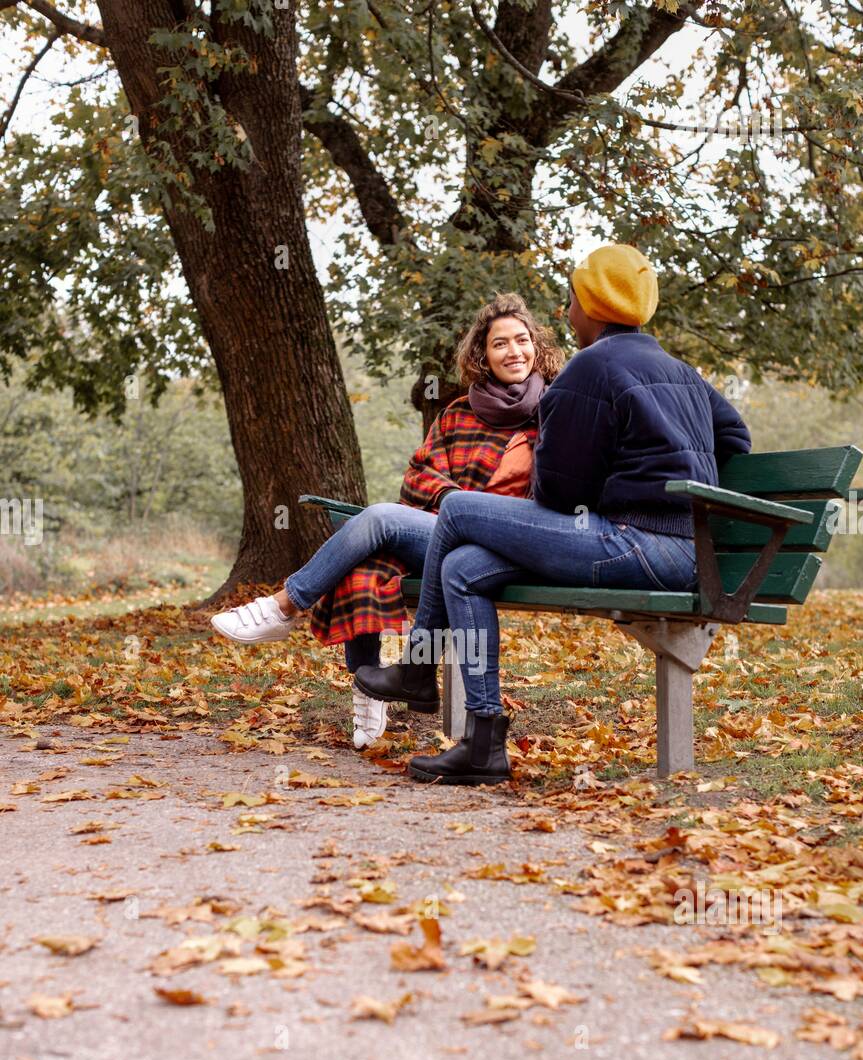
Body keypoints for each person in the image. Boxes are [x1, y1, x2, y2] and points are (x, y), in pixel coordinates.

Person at [353, 243, 752, 785]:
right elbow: (735, 437)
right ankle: (483, 743)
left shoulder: (589, 370)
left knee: (458, 509)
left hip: (634, 544)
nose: (567, 314)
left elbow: (561, 496)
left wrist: (628, 485)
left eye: (570, 302)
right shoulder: (681, 371)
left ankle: (420, 669)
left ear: (592, 306)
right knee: (462, 568)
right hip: (684, 549)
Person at [209, 294, 564, 749]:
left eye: (522, 340)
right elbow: (419, 474)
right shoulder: (457, 413)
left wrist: (483, 515)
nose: (514, 351)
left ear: (537, 347)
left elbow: (557, 486)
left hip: (504, 546)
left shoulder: (552, 412)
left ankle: (284, 605)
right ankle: (368, 689)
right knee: (361, 570)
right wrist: (457, 502)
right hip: (443, 532)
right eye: (500, 344)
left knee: (377, 519)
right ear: (482, 354)